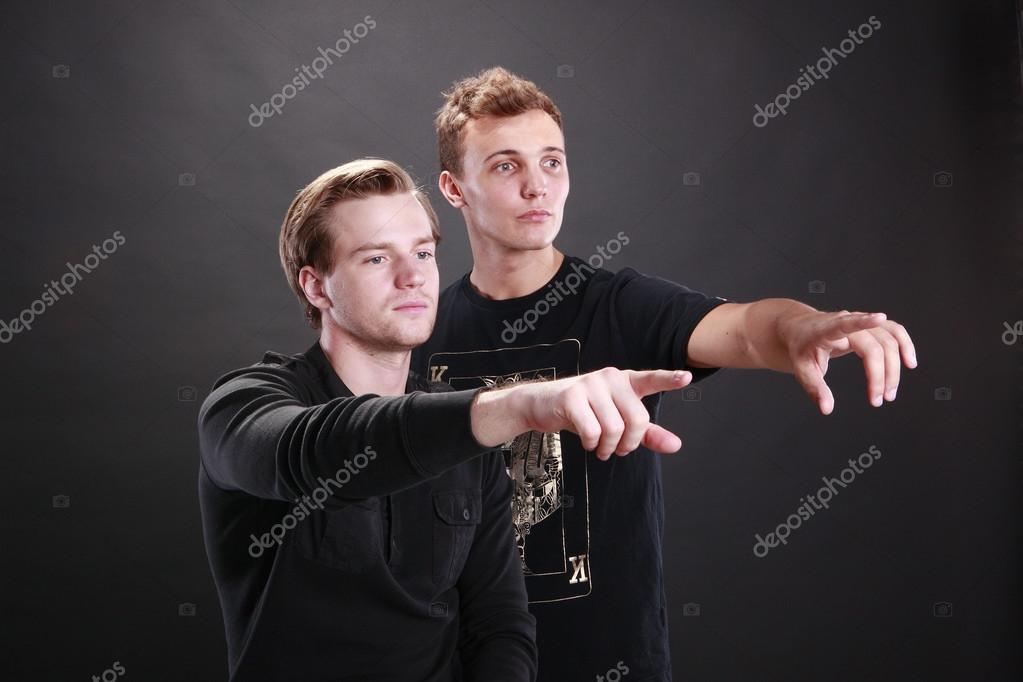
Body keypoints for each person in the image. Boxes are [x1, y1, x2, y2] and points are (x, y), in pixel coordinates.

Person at [413, 67, 918, 681]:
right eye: (505, 166)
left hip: (609, 662)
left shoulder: (621, 307)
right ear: (453, 188)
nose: (536, 187)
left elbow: (748, 327)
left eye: (552, 162)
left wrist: (803, 326)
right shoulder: (420, 333)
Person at [197, 158, 695, 681]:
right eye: (374, 259)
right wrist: (520, 404)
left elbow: (499, 621)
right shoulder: (243, 404)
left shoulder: (466, 439)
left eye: (424, 253)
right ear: (316, 287)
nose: (413, 276)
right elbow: (309, 453)